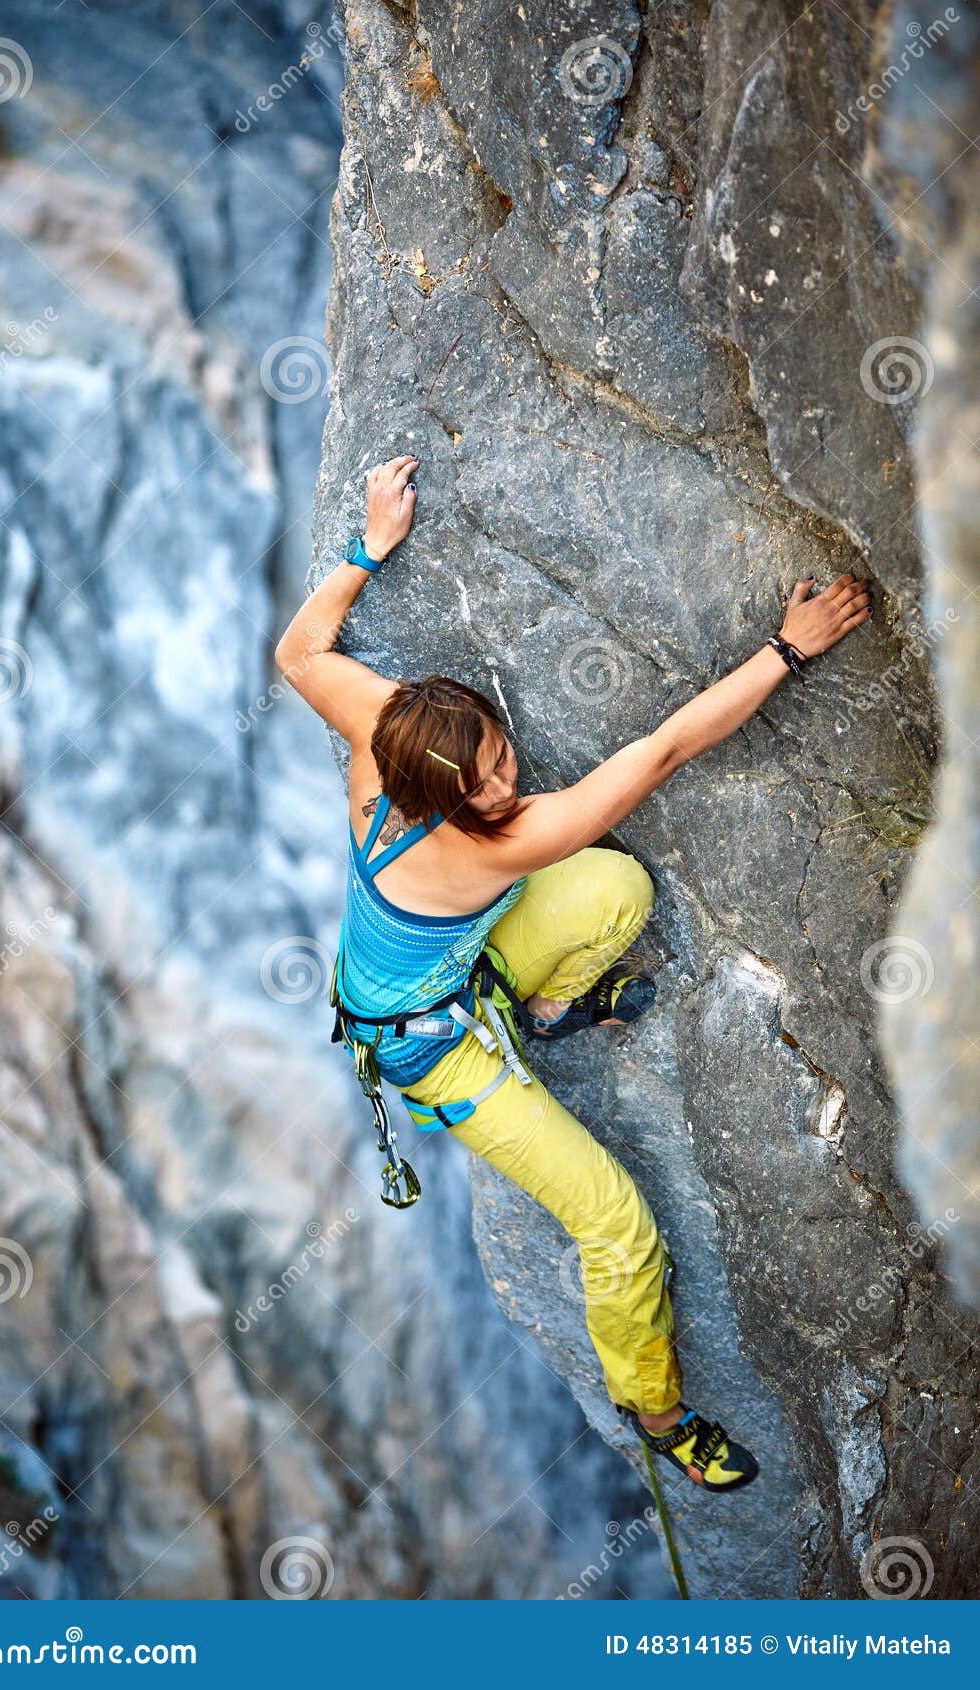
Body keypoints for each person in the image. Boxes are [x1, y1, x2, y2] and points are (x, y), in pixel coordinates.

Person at [276, 453, 872, 1493]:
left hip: (436, 966)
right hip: (432, 1052)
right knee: (615, 1223)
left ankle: (545, 1007)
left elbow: (297, 652)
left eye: (501, 756)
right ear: (446, 801)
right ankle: (653, 1409)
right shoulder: (500, 838)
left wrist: (369, 546)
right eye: (491, 784)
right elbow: (662, 750)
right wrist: (786, 647)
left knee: (611, 890)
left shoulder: (384, 738)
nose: (511, 783)